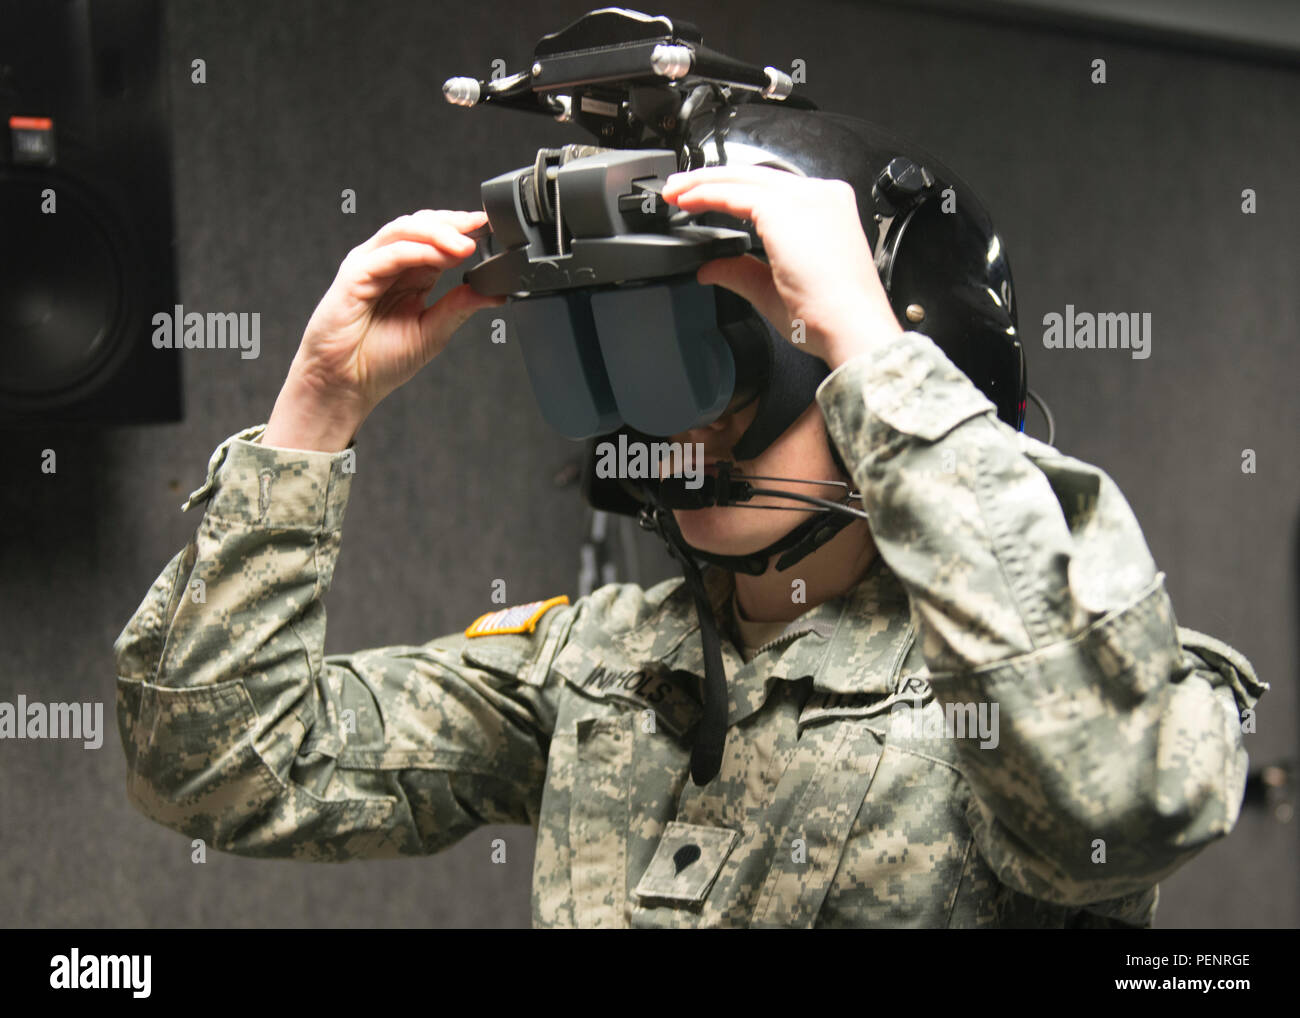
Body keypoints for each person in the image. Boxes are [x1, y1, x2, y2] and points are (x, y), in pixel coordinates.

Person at [113, 165, 1267, 928]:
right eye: (653, 374)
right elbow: (224, 769)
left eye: (739, 364)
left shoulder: (1060, 695)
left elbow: (1109, 802)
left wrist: (867, 343)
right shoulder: (596, 669)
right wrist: (316, 410)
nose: (686, 428)